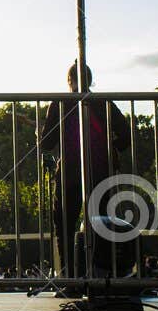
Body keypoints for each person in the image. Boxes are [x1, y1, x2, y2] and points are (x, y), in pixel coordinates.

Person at [38, 62, 131, 278]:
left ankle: (69, 275)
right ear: (90, 80)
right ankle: (101, 275)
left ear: (69, 81)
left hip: (70, 172)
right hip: (101, 172)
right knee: (102, 223)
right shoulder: (103, 103)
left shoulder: (60, 104)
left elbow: (47, 143)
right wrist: (111, 148)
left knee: (65, 225)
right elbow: (125, 136)